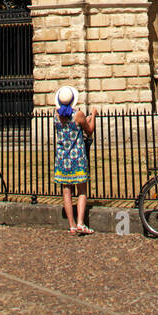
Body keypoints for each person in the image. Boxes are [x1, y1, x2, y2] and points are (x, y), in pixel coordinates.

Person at [53, 85, 98, 235]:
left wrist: (85, 119)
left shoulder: (55, 115)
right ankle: (80, 223)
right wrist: (93, 116)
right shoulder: (78, 115)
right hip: (77, 158)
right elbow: (89, 130)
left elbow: (69, 123)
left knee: (66, 192)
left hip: (62, 159)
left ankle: (71, 225)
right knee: (82, 191)